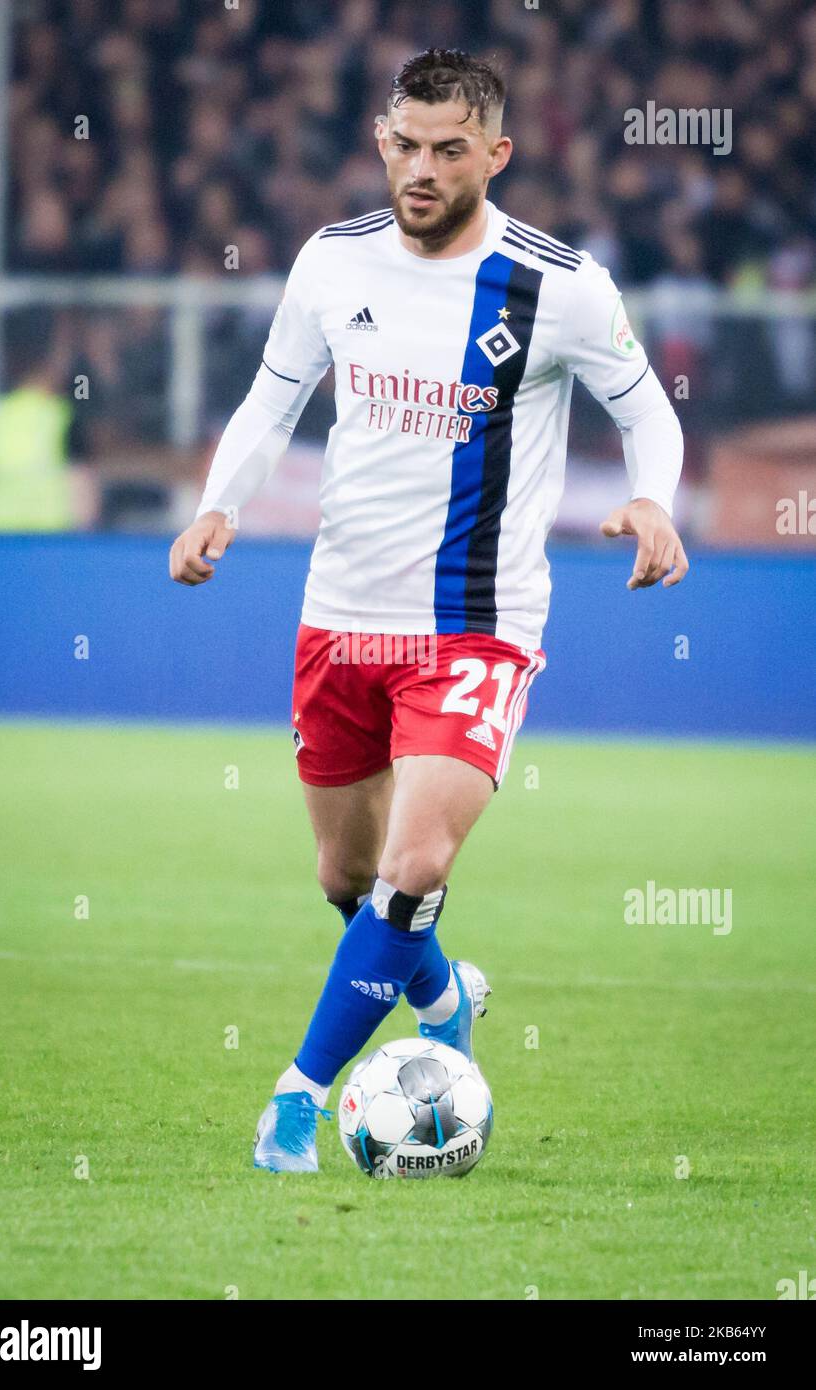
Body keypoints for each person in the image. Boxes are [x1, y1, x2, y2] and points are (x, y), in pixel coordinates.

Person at [169, 48, 688, 1173]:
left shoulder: (557, 286)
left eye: (449, 148)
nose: (421, 166)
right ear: (379, 138)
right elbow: (273, 396)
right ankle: (445, 995)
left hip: (477, 622)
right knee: (346, 883)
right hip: (340, 613)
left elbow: (647, 410)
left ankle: (297, 1100)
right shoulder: (329, 260)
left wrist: (652, 498)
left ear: (494, 154)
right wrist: (218, 506)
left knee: (412, 866)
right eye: (404, 142)